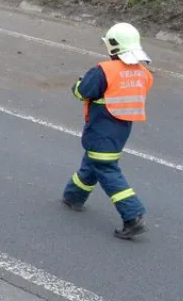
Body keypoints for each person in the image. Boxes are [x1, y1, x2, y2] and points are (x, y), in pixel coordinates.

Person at [61, 22, 153, 240]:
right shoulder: (143, 73)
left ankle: (133, 215)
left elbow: (82, 91)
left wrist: (78, 83)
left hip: (101, 128)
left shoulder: (104, 70)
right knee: (93, 162)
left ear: (112, 45)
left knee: (105, 168)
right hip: (122, 130)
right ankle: (73, 196)